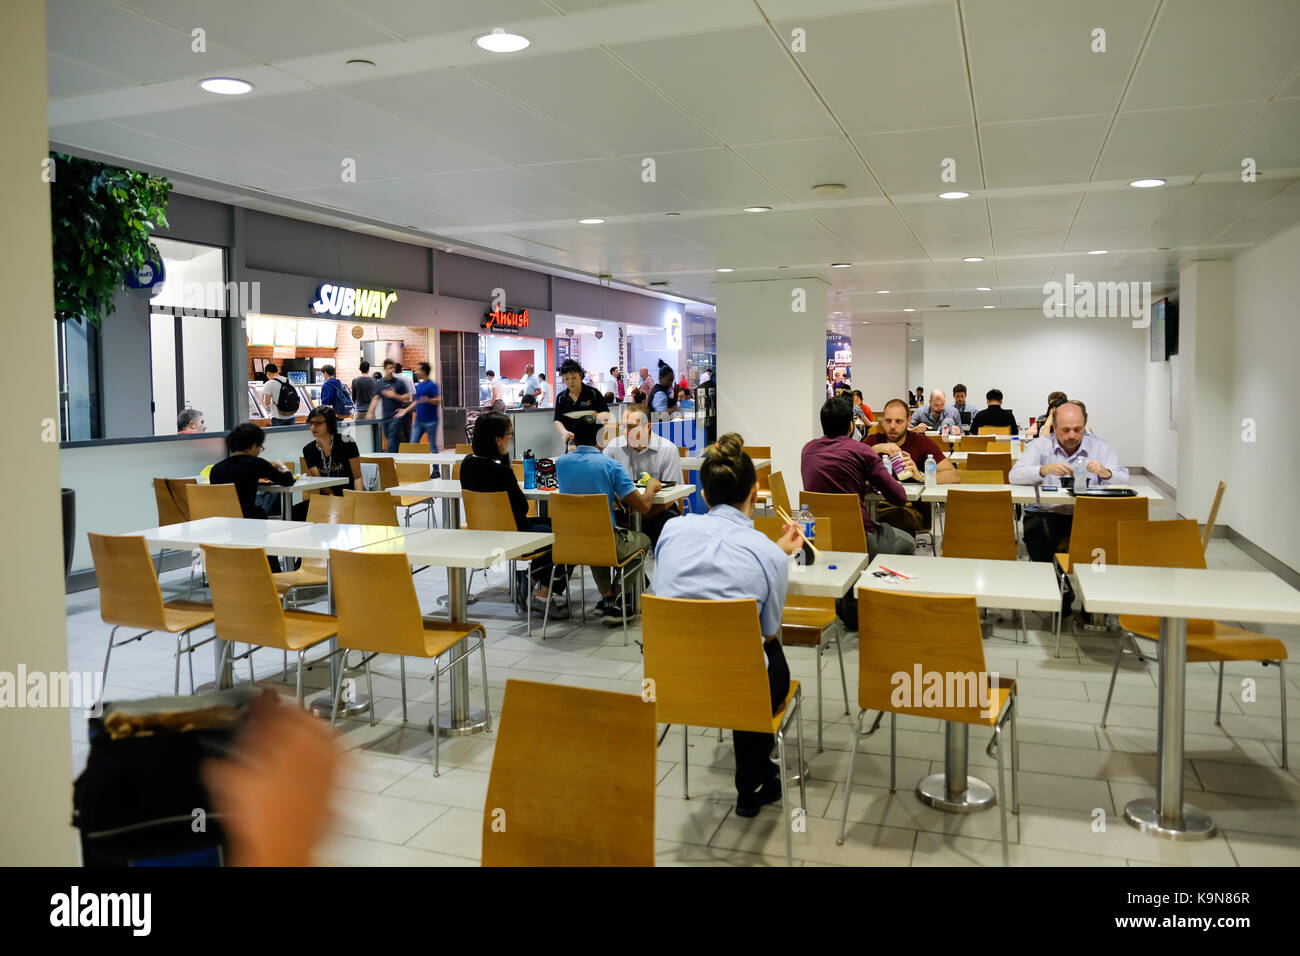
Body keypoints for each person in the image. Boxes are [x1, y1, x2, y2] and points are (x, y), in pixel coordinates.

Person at [653, 434, 802, 817]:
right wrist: (778, 555)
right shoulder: (767, 553)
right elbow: (769, 633)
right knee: (758, 659)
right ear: (756, 492)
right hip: (741, 687)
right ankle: (753, 778)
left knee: (732, 657)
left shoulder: (671, 532)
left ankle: (753, 776)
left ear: (703, 495)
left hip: (672, 682)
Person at [459, 412, 569, 619]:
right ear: (497, 440)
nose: (511, 437)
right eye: (509, 434)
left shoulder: (466, 465)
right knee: (569, 532)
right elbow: (521, 508)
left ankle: (532, 578)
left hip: (483, 532)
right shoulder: (502, 473)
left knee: (556, 526)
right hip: (514, 534)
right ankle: (542, 592)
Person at [554, 413, 655, 623]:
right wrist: (652, 486)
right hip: (603, 541)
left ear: (574, 438)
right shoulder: (610, 465)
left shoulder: (561, 463)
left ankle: (606, 596)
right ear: (601, 438)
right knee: (641, 542)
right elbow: (643, 507)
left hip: (569, 543)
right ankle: (616, 596)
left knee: (595, 537)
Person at [1010, 400, 1128, 564]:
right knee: (1040, 545)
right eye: (1065, 430)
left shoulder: (1100, 447)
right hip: (1046, 514)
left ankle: (1090, 579)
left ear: (1085, 426)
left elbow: (1124, 479)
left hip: (1089, 515)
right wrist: (1043, 469)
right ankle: (1051, 581)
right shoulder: (1040, 446)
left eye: (1077, 430)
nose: (1072, 435)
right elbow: (1014, 476)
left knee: (1102, 547)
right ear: (1054, 428)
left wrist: (1106, 473)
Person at [802, 397, 915, 557]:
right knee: (909, 542)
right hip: (859, 537)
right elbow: (899, 498)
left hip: (818, 537)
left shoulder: (807, 450)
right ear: (850, 426)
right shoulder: (862, 451)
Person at [866, 398, 959, 535]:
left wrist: (921, 476)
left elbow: (953, 475)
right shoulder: (873, 442)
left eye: (899, 421)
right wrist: (873, 450)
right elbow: (849, 474)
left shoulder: (920, 442)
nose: (892, 426)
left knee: (896, 520)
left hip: (909, 510)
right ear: (882, 421)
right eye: (888, 421)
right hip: (876, 508)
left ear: (909, 421)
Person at [603, 407, 684, 546]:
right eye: (623, 426)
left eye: (631, 427)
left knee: (666, 529)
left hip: (659, 510)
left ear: (648, 427)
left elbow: (670, 499)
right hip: (625, 510)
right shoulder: (613, 447)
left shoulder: (667, 450)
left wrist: (641, 518)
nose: (625, 432)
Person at [209, 422, 294, 519]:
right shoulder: (256, 463)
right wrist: (283, 466)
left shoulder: (216, 468)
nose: (259, 451)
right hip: (247, 520)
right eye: (260, 447)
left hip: (220, 520)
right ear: (253, 445)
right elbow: (288, 480)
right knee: (260, 511)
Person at [291, 406, 362, 520]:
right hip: (327, 498)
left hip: (351, 496)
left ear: (329, 424)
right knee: (292, 513)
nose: (313, 427)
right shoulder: (308, 450)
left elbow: (357, 477)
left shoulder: (347, 443)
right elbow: (320, 481)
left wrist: (359, 499)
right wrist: (333, 499)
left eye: (318, 423)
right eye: (311, 423)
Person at [553, 359, 610, 444]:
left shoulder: (593, 393)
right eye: (566, 379)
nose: (570, 382)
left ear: (580, 375)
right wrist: (565, 432)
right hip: (572, 442)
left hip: (594, 443)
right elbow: (557, 420)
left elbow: (606, 415)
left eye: (573, 377)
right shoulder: (561, 397)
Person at [366, 359, 412, 452]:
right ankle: (395, 458)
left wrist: (395, 395)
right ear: (385, 369)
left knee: (391, 439)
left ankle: (390, 458)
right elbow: (376, 398)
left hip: (396, 416)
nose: (392, 370)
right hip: (385, 416)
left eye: (393, 368)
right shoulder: (380, 383)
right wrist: (370, 412)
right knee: (391, 440)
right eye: (390, 368)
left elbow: (407, 396)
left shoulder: (399, 382)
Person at [405, 361, 440, 449]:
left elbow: (439, 400)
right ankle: (416, 462)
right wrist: (405, 410)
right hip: (419, 421)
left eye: (418, 370)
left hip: (431, 421)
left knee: (432, 446)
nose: (416, 372)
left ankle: (435, 463)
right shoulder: (420, 385)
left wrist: (428, 399)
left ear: (424, 371)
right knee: (413, 444)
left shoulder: (431, 385)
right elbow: (417, 400)